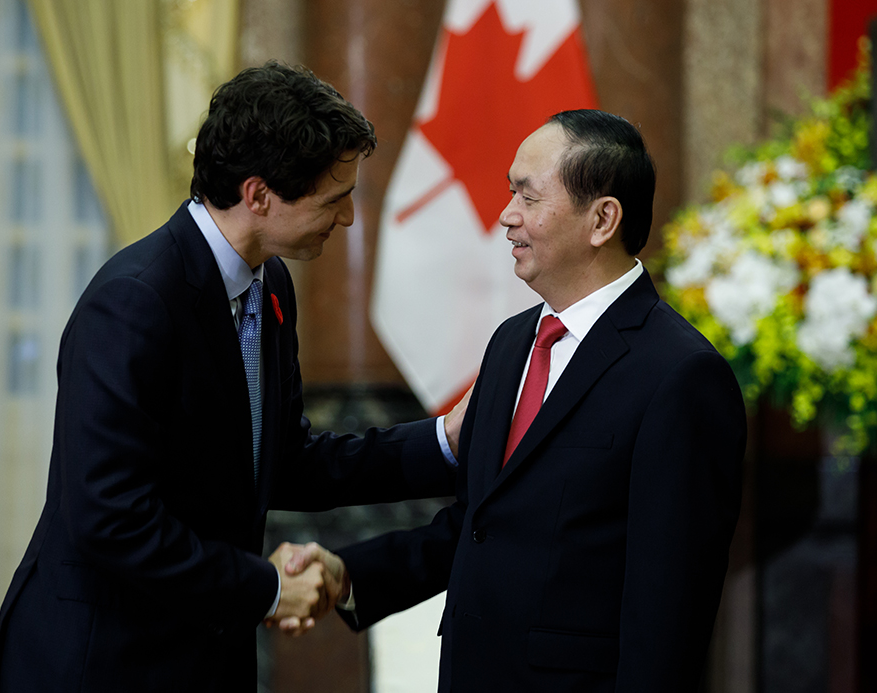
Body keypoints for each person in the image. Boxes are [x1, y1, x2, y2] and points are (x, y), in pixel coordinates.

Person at [0, 61, 465, 693]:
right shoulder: (134, 302)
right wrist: (266, 588)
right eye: (333, 199)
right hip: (103, 660)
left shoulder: (271, 285)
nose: (347, 219)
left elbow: (285, 462)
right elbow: (110, 516)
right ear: (258, 194)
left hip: (199, 654)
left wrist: (443, 443)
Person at [295, 109, 747, 691]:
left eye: (528, 198)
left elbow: (669, 608)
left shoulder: (680, 375)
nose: (506, 216)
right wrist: (350, 573)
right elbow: (484, 524)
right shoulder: (513, 342)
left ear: (602, 219)